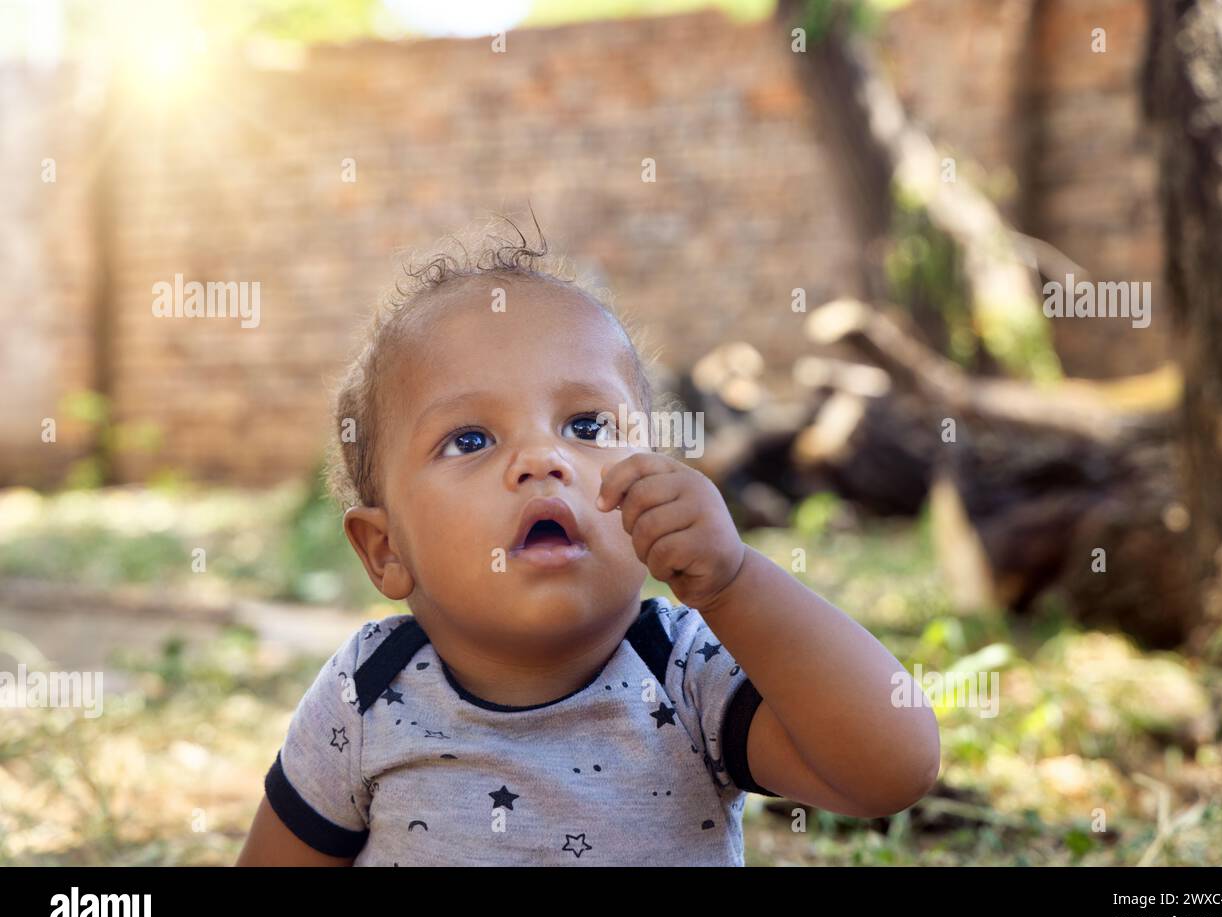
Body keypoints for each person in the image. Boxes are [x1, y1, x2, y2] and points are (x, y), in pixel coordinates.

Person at [236, 217, 939, 866]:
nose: (544, 459)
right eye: (471, 439)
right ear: (385, 549)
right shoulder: (368, 693)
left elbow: (893, 766)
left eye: (588, 427)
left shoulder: (684, 674)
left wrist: (734, 584)